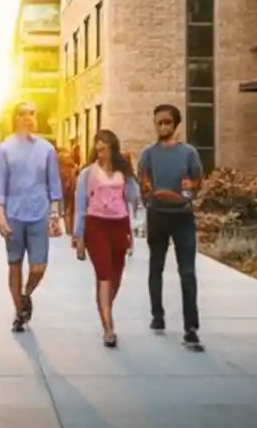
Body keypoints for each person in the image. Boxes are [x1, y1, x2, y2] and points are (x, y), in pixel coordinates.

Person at [138, 104, 205, 351]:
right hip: (157, 217)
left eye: (167, 122)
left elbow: (196, 180)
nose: (163, 126)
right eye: (159, 122)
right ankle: (157, 315)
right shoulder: (148, 154)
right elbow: (143, 181)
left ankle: (191, 328)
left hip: (183, 219)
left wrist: (185, 198)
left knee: (187, 272)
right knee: (156, 267)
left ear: (176, 124)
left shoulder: (189, 153)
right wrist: (154, 201)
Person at [0, 102, 64, 333]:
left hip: (39, 214)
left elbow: (54, 183)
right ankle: (18, 313)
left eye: (32, 113)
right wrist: (0, 216)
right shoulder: (4, 149)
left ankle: (26, 295)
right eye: (23, 114)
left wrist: (55, 213)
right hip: (13, 214)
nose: (28, 118)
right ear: (15, 118)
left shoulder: (46, 149)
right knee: (14, 264)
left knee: (38, 267)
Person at [72, 129, 141, 348]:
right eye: (98, 149)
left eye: (104, 149)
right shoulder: (87, 173)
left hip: (119, 224)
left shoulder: (124, 172)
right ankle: (108, 329)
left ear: (113, 148)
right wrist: (79, 236)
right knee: (103, 274)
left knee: (116, 275)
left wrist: (134, 230)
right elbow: (80, 205)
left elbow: (134, 199)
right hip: (96, 225)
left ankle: (104, 307)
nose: (100, 153)